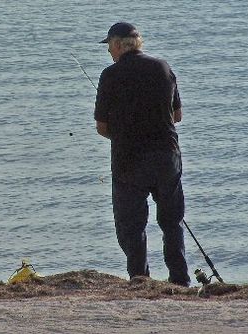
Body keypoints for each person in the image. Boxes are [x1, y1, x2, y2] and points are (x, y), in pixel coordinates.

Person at [94, 22, 190, 286]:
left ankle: (139, 278)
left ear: (117, 44)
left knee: (131, 226)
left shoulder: (110, 75)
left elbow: (102, 128)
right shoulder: (162, 67)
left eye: (109, 46)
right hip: (166, 157)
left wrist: (125, 135)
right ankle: (180, 279)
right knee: (172, 223)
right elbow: (177, 116)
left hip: (128, 161)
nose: (109, 53)